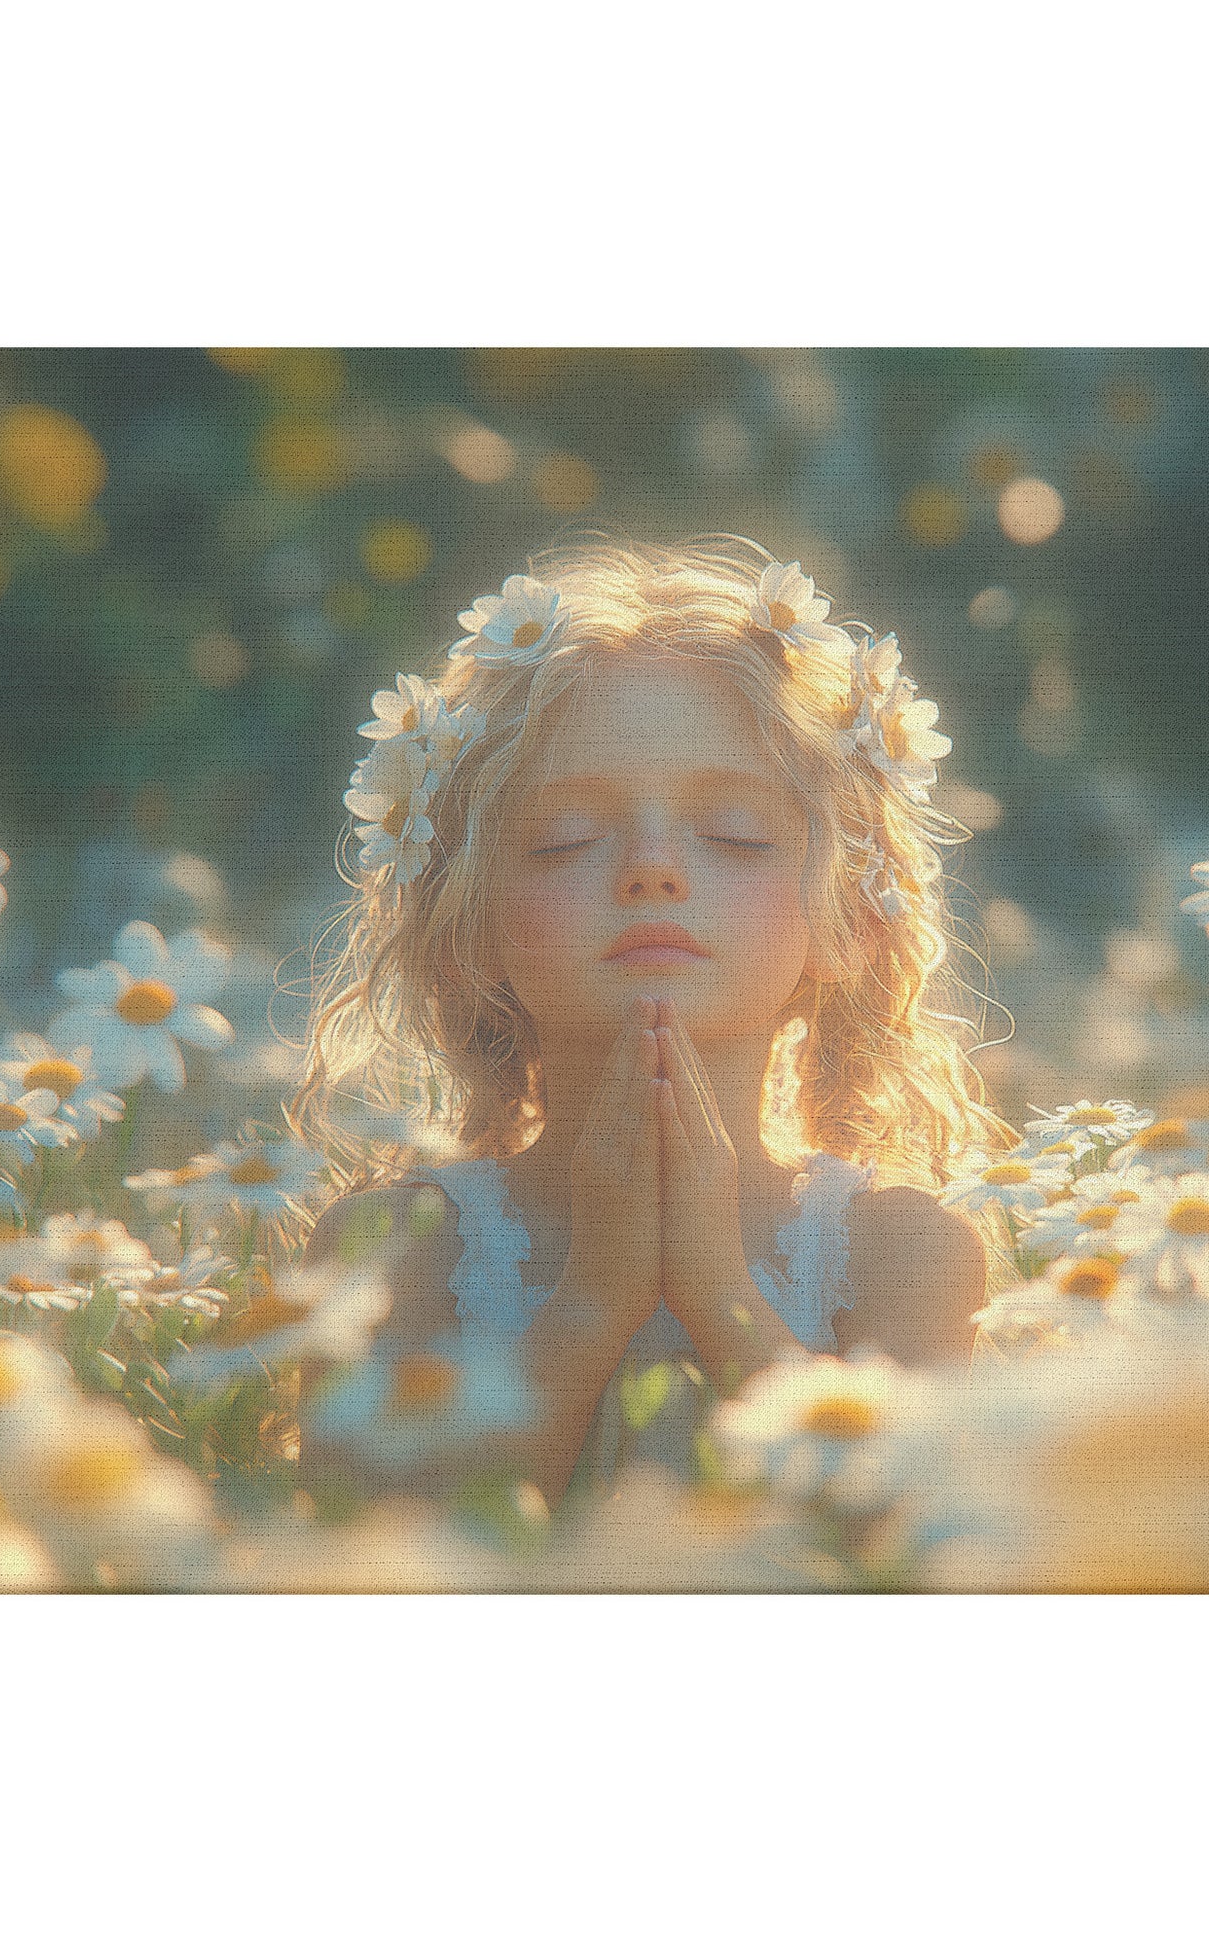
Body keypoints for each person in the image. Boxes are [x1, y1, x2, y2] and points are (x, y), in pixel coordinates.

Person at [290, 536, 1014, 1505]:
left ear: (847, 921)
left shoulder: (899, 1252)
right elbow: (361, 1564)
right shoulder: (397, 1249)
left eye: (734, 834)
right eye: (564, 839)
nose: (652, 868)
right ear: (464, 928)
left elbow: (894, 1553)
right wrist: (593, 1297)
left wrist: (719, 1291)